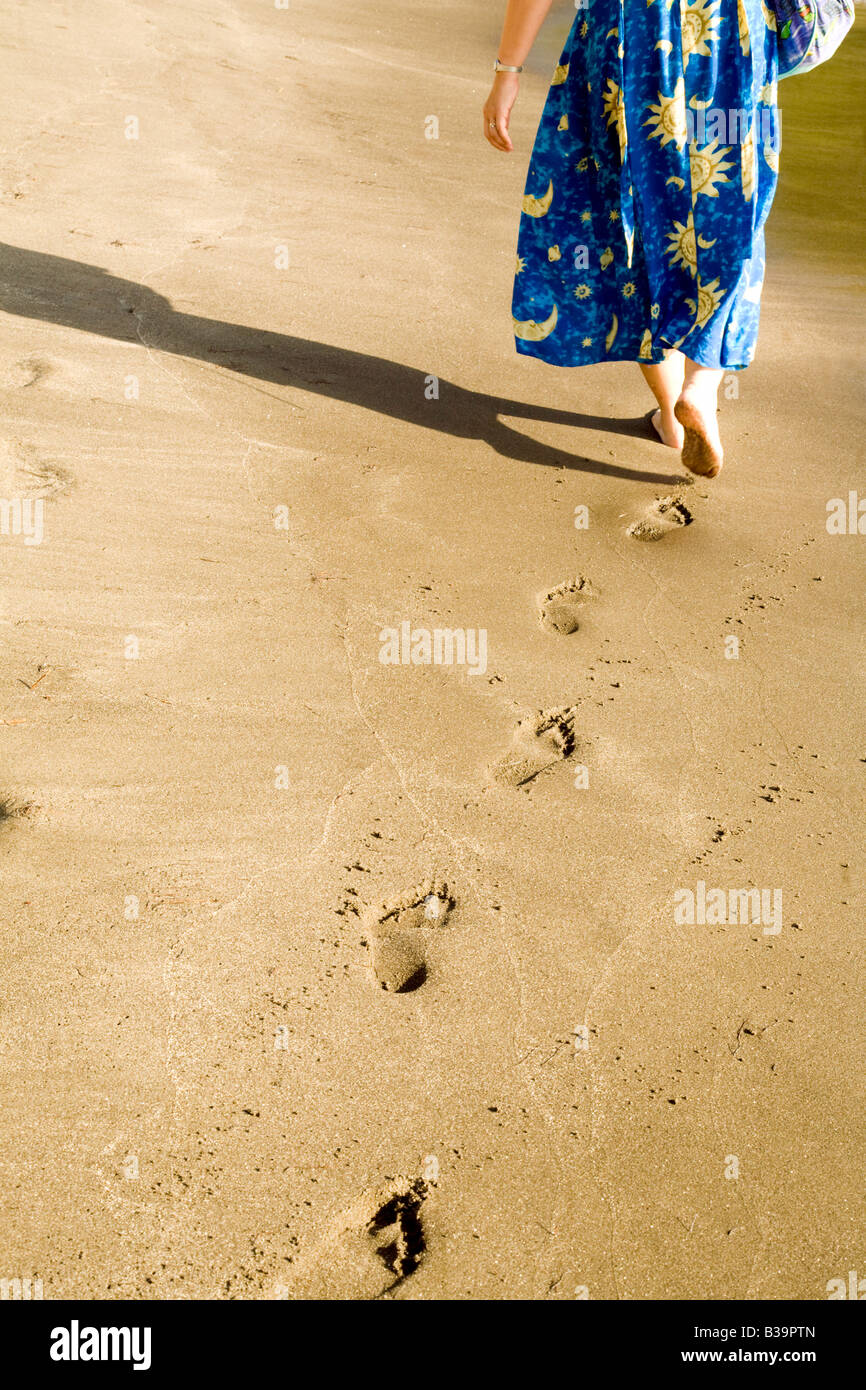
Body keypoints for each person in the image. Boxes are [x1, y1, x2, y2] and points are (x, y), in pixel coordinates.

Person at [483, 0, 781, 477]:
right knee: (731, 212)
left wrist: (508, 71)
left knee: (633, 221)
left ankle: (671, 414)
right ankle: (699, 389)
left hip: (629, 33)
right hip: (732, 34)